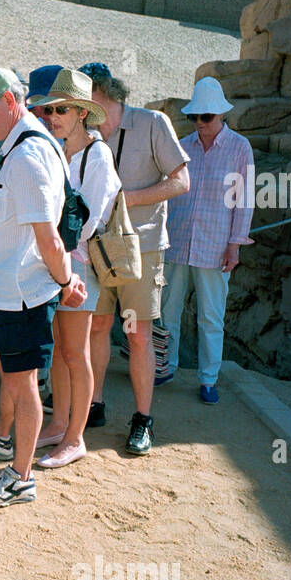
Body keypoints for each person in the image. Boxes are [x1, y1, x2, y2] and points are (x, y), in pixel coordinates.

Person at [0, 69, 85, 507]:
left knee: (24, 379)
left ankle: (20, 477)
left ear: (9, 101)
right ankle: (2, 438)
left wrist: (66, 281)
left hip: (21, 293)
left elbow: (49, 238)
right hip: (11, 291)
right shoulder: (21, 146)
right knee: (9, 366)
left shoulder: (28, 157)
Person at [80, 62, 190, 456]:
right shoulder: (85, 130)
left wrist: (124, 200)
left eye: (84, 96)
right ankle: (94, 406)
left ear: (106, 93)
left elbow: (181, 181)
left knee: (139, 335)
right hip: (96, 247)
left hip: (140, 247)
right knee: (96, 328)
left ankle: (143, 419)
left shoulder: (152, 123)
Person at [33, 69, 121, 468]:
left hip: (78, 265)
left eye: (62, 109)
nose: (53, 117)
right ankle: (60, 425)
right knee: (59, 353)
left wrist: (56, 249)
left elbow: (90, 219)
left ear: (83, 113)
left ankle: (75, 438)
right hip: (57, 263)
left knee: (76, 353)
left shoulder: (97, 155)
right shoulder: (61, 149)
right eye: (50, 110)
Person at [162, 77, 254, 404]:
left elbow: (244, 200)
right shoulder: (183, 147)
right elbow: (168, 195)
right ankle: (165, 368)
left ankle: (208, 379)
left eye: (207, 117)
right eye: (195, 117)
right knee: (167, 312)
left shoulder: (240, 148)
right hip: (177, 242)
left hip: (215, 247)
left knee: (211, 317)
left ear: (221, 115)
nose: (200, 124)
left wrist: (235, 245)